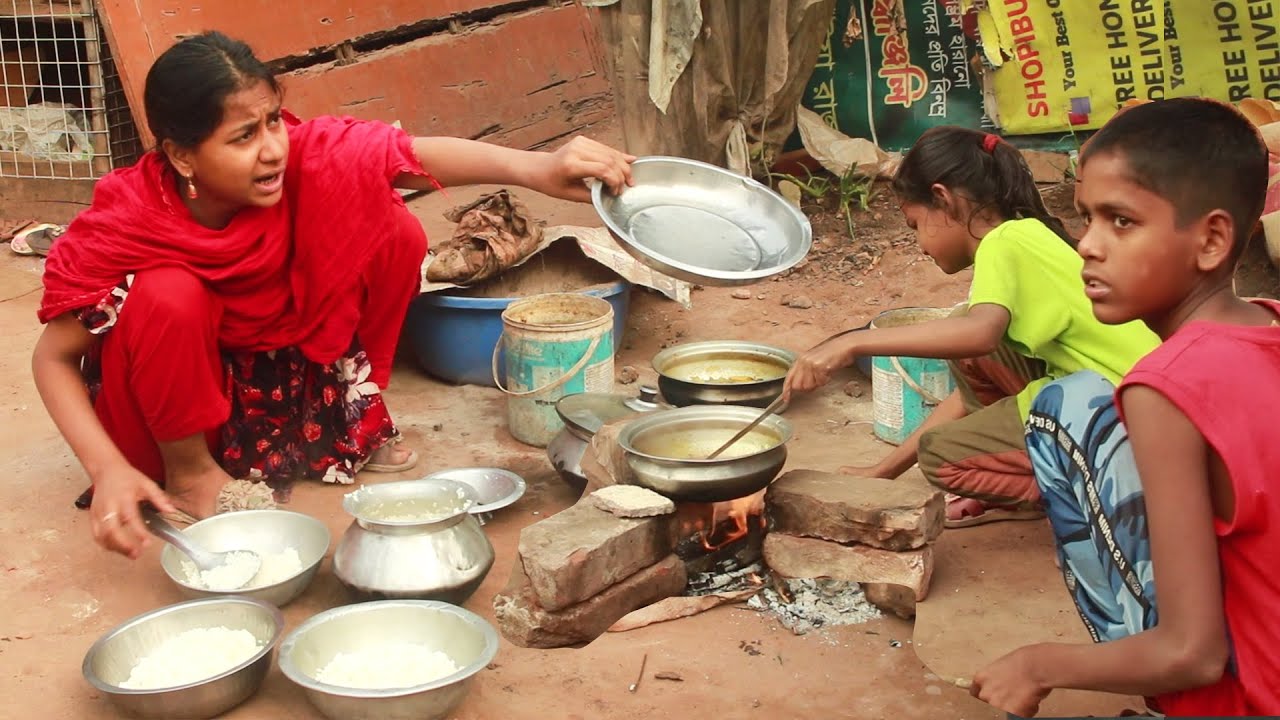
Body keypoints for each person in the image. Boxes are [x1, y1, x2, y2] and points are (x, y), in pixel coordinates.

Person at [31, 32, 635, 559]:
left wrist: (536, 168)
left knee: (392, 229)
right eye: (243, 136)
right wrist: (106, 468)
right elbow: (51, 359)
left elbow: (405, 156)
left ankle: (344, 418)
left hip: (280, 385)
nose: (272, 147)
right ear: (182, 154)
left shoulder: (304, 161)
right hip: (173, 413)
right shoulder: (130, 221)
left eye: (273, 121)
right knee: (169, 292)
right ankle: (192, 477)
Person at [971, 98, 1279, 718]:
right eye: (1086, 219)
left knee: (1060, 408)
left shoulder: (1165, 386)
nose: (1087, 245)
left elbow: (1193, 654)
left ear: (1213, 239)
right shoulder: (1269, 326)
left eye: (1121, 221)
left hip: (1244, 698)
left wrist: (1039, 663)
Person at [782, 126, 1159, 528]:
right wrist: (883, 471)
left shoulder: (1004, 241)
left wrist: (856, 342)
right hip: (1129, 399)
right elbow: (971, 360)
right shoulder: (1029, 233)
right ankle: (1048, 467)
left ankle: (1105, 499)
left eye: (914, 226)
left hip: (1124, 419)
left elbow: (981, 333)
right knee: (961, 330)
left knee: (942, 457)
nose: (921, 245)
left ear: (943, 199)